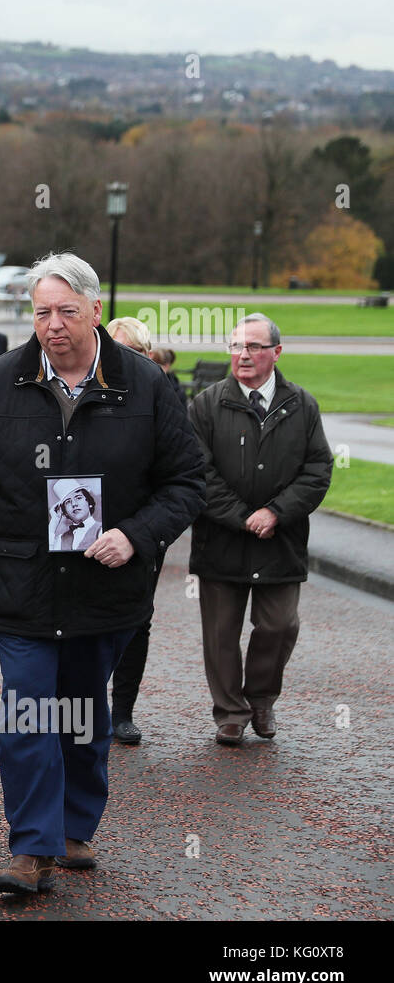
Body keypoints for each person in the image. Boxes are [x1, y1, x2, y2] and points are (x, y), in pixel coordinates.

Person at [0, 252, 204, 894]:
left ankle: (76, 828)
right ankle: (31, 847)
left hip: (104, 589)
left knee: (82, 716)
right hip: (19, 583)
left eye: (66, 311)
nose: (52, 324)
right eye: (42, 311)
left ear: (96, 311)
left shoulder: (145, 385)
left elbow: (188, 482)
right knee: (27, 713)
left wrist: (135, 535)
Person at [188, 313, 332, 746]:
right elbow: (198, 471)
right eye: (236, 346)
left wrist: (274, 513)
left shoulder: (302, 404)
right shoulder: (206, 404)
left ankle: (262, 699)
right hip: (222, 539)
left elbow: (318, 468)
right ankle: (230, 713)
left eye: (252, 346)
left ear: (276, 352)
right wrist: (241, 516)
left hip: (281, 540)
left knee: (279, 625)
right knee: (221, 633)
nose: (243, 355)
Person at [104, 316, 167, 745]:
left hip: (143, 528)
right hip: (87, 523)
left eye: (128, 350)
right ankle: (82, 704)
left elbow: (180, 472)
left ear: (145, 356)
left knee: (136, 621)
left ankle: (122, 711)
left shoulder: (161, 396)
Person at [47, 479, 103, 551]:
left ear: (89, 502)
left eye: (78, 498)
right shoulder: (61, 539)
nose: (74, 504)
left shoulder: (101, 530)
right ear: (65, 512)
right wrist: (54, 520)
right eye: (68, 502)